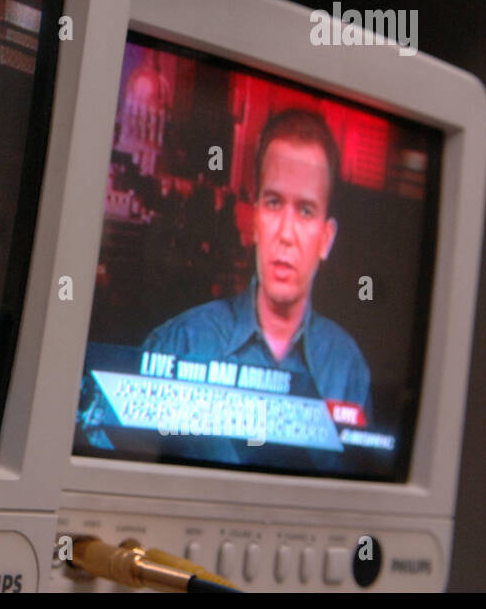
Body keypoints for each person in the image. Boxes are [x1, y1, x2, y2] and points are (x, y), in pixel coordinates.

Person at [83, 109, 371, 464]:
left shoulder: (348, 367)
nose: (286, 234)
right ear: (253, 222)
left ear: (326, 239)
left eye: (306, 211)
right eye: (274, 203)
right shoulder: (181, 343)